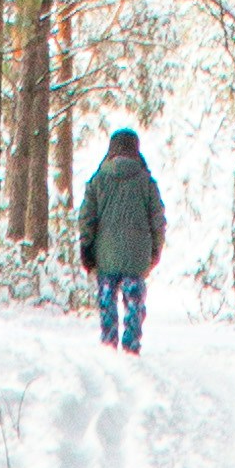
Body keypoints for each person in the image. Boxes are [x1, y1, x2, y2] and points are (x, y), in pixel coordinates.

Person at [77, 121, 165, 351]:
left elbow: (86, 217)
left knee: (107, 299)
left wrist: (86, 246)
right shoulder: (146, 182)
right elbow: (158, 220)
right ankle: (131, 344)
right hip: (137, 254)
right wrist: (156, 249)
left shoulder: (98, 180)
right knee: (134, 301)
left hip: (105, 253)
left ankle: (108, 342)